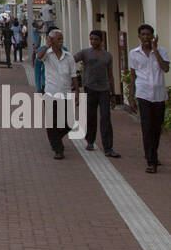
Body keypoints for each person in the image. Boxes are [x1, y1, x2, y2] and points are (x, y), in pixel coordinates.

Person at [127, 23, 170, 173]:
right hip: (143, 94)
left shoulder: (162, 51)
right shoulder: (133, 53)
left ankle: (153, 155)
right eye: (143, 34)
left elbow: (165, 68)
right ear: (139, 36)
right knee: (147, 128)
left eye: (148, 35)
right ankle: (151, 161)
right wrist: (131, 97)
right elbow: (133, 76)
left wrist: (155, 50)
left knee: (156, 128)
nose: (146, 37)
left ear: (153, 36)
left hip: (158, 96)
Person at [74, 30, 118, 156]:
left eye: (96, 39)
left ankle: (108, 147)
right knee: (91, 116)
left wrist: (113, 94)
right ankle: (90, 140)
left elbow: (110, 75)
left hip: (104, 90)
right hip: (90, 88)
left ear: (101, 40)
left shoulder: (107, 56)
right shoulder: (85, 53)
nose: (93, 41)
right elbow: (72, 60)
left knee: (106, 118)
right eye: (91, 39)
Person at [37, 28, 78, 159]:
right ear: (51, 40)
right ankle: (58, 149)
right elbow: (38, 57)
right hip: (50, 92)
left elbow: (74, 75)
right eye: (58, 39)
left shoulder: (68, 56)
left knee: (69, 123)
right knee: (52, 122)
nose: (61, 41)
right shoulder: (46, 55)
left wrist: (77, 91)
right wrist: (47, 45)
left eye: (61, 39)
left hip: (66, 93)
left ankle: (56, 139)